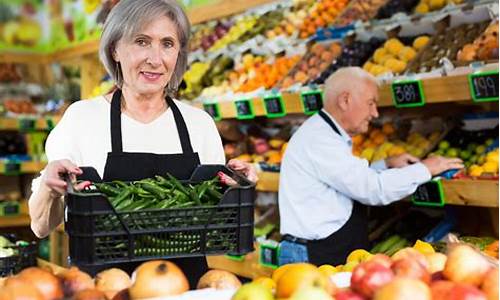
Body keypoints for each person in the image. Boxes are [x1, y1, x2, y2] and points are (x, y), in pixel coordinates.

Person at [28, 0, 256, 287]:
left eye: (168, 44)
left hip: (183, 287)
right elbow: (40, 227)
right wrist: (49, 187)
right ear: (115, 49)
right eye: (141, 41)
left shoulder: (199, 125)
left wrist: (239, 192)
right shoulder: (82, 119)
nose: (155, 58)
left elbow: (218, 230)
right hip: (105, 288)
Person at [278, 67, 463, 266]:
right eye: (371, 103)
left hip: (319, 251)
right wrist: (426, 168)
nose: (374, 113)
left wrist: (385, 164)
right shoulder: (320, 139)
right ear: (345, 100)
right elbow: (373, 189)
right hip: (312, 256)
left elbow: (343, 180)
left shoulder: (323, 133)